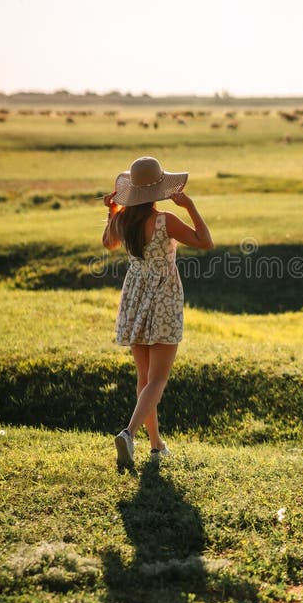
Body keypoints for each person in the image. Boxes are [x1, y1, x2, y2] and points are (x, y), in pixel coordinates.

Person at [102, 155, 213, 468]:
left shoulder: (124, 220)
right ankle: (129, 433)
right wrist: (190, 207)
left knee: (145, 377)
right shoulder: (165, 220)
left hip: (135, 296)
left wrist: (113, 211)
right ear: (160, 190)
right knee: (159, 378)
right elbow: (206, 242)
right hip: (163, 296)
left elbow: (108, 243)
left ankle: (155, 444)